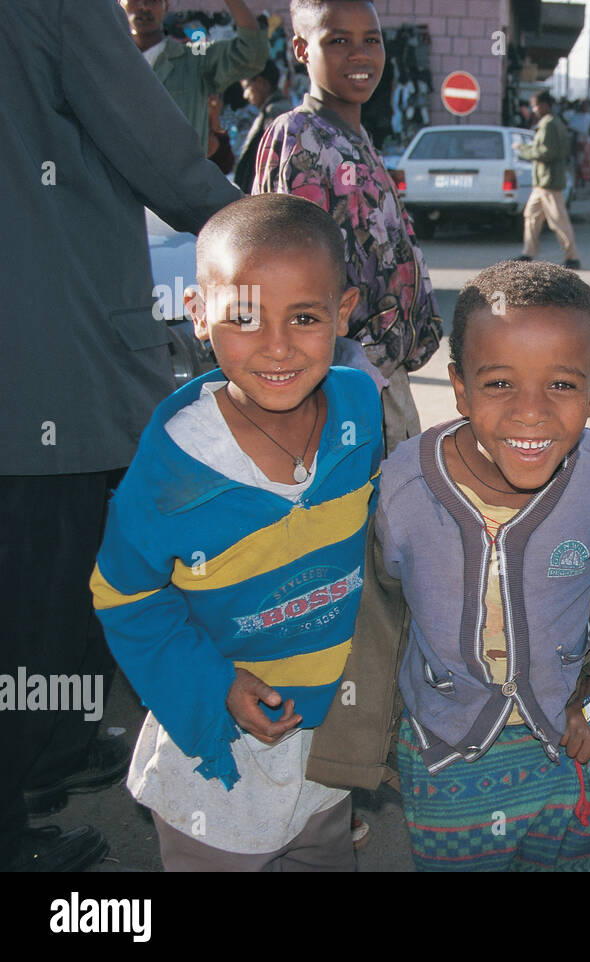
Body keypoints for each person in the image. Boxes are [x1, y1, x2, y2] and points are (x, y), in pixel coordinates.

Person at [316, 261, 590, 871]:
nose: (530, 413)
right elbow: (380, 607)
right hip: (447, 754)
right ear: (459, 386)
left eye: (561, 385)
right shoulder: (404, 485)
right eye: (499, 383)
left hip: (567, 746)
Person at [0, 0, 243, 873]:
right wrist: (273, 245)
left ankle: (52, 747)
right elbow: (162, 154)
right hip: (44, 366)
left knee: (41, 596)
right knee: (37, 604)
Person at [89, 194, 381, 871]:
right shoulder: (172, 470)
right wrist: (213, 686)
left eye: (305, 317)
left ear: (342, 313)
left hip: (326, 746)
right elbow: (125, 596)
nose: (277, 346)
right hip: (212, 758)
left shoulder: (361, 409)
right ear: (198, 315)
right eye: (244, 317)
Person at [256, 0, 442, 458]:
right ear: (301, 48)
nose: (359, 55)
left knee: (394, 520)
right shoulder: (299, 135)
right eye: (338, 40)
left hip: (383, 379)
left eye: (371, 40)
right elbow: (288, 271)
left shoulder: (358, 138)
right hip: (338, 385)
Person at [119, 0, 269, 150]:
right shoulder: (105, 62)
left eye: (154, 0)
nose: (144, 6)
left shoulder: (195, 60)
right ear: (120, 3)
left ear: (166, 6)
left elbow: (251, 52)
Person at [514, 90, 582, 270]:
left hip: (548, 182)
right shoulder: (552, 123)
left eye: (535, 105)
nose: (534, 109)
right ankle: (528, 252)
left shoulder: (549, 124)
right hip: (543, 182)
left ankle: (572, 256)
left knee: (558, 221)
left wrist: (523, 150)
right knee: (531, 216)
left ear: (544, 105)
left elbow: (546, 152)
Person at [234, 58, 292, 193]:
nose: (245, 95)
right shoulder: (271, 110)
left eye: (247, 87)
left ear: (260, 82)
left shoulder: (275, 112)